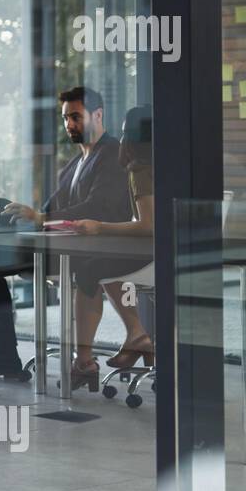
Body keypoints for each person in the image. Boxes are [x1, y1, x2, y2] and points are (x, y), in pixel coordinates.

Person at [0, 86, 134, 380]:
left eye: (76, 117)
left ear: (98, 115)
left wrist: (41, 218)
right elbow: (50, 209)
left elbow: (99, 208)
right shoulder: (74, 165)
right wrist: (28, 217)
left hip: (86, 253)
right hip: (56, 245)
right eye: (65, 118)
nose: (69, 124)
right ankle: (4, 353)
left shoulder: (113, 154)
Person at [69, 106, 155, 389]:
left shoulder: (141, 169)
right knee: (100, 263)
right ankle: (137, 334)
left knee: (89, 268)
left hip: (156, 256)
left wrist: (99, 226)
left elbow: (148, 226)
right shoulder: (173, 164)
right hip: (184, 253)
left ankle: (84, 361)